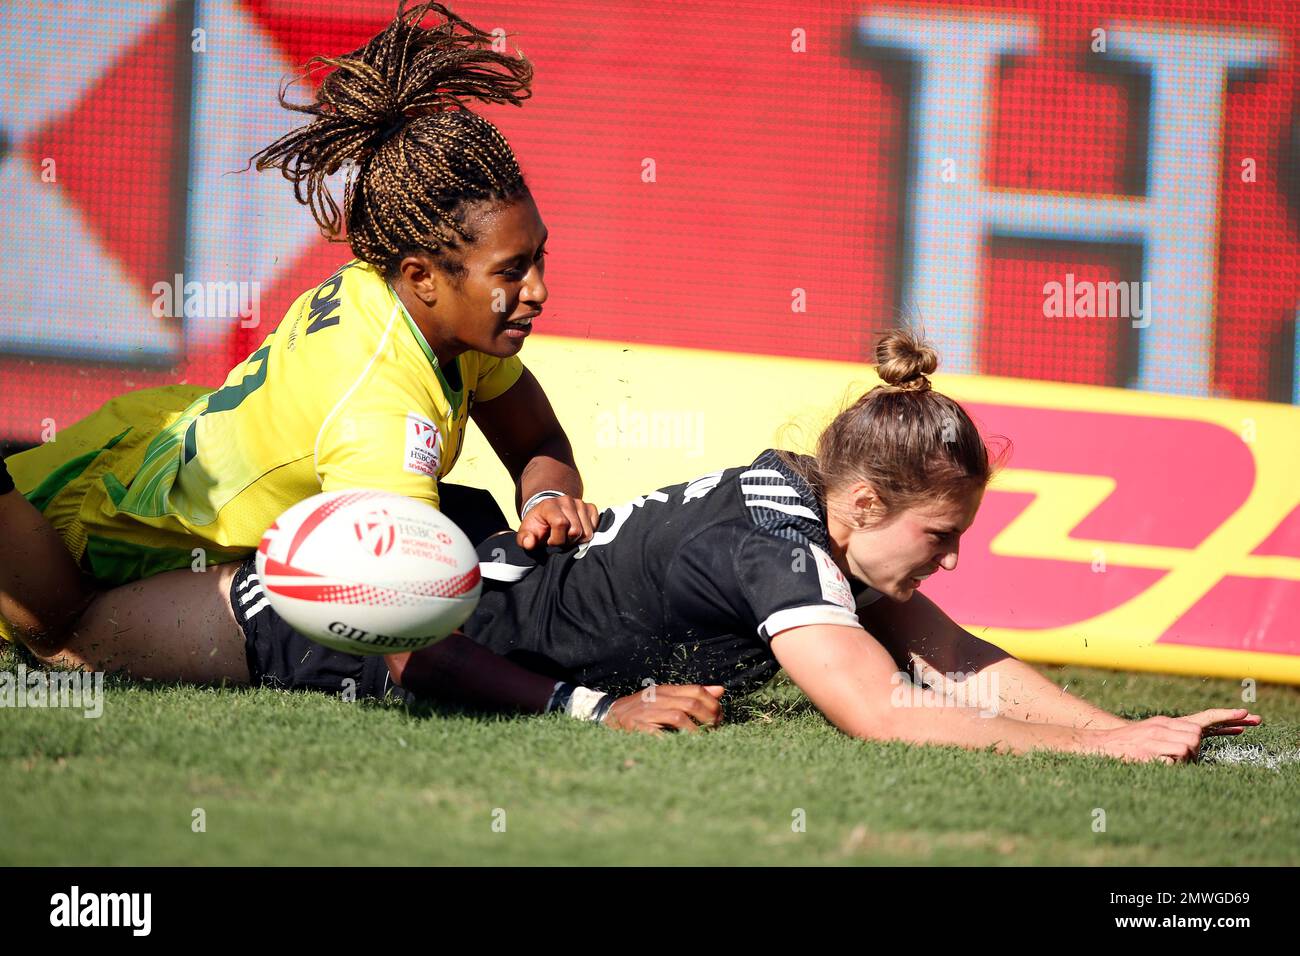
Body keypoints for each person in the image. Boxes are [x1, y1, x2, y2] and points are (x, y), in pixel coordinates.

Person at [0, 1, 724, 734]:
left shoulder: (437, 310)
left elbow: (535, 434)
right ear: (423, 276)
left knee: (466, 529)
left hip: (147, 448)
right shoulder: (378, 410)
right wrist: (596, 709)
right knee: (67, 643)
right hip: (94, 536)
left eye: (540, 255)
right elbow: (416, 652)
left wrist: (545, 500)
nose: (537, 288)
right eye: (514, 269)